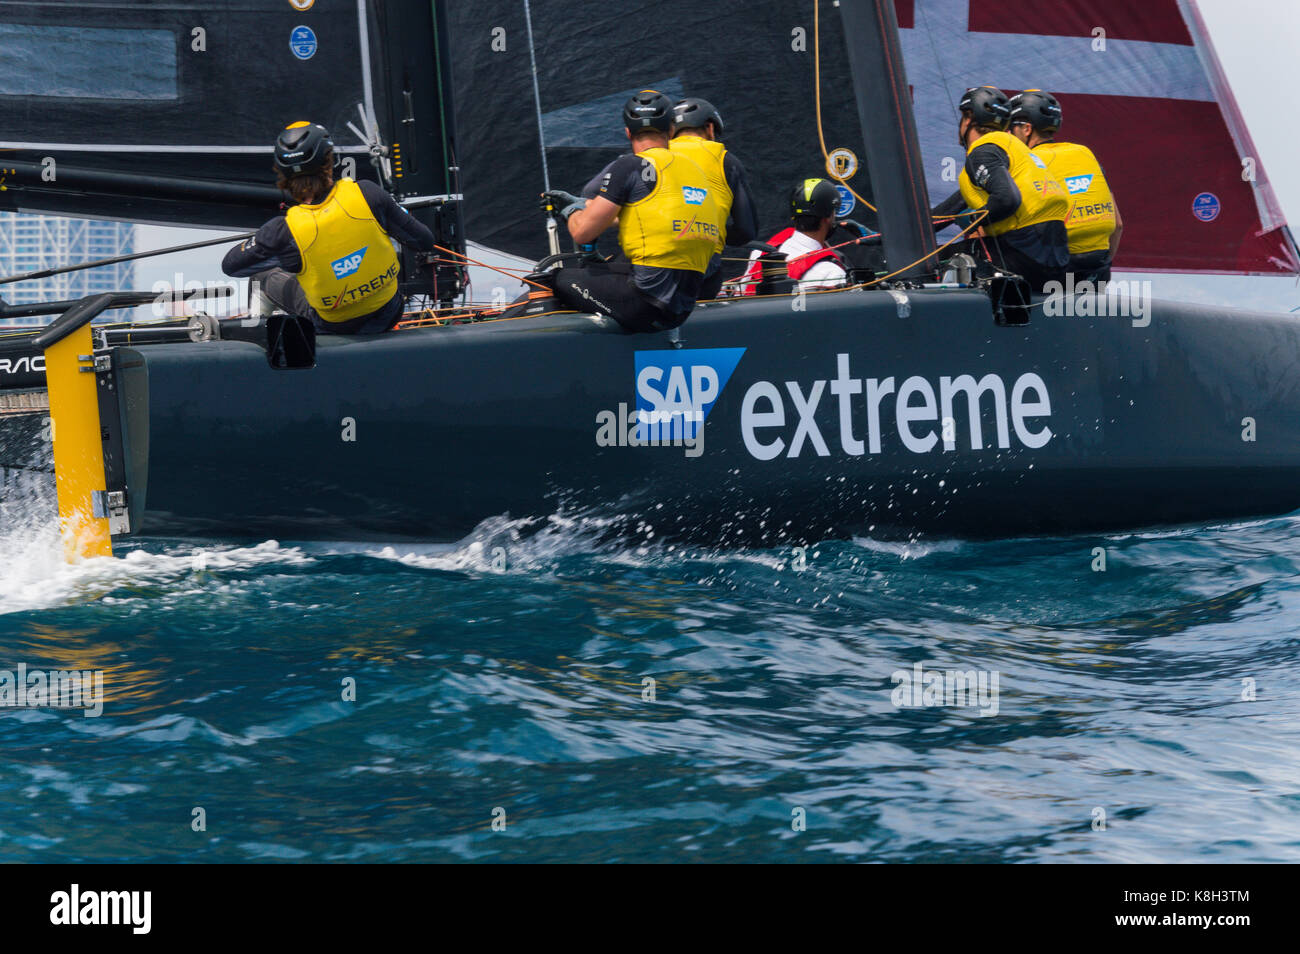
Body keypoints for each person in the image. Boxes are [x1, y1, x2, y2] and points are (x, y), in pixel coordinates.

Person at [222, 121, 434, 335]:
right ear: (330, 160)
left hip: (331, 326)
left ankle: (264, 345)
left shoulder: (283, 231)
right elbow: (424, 240)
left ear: (283, 174)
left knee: (261, 278)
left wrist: (265, 240)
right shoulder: (368, 194)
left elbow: (231, 267)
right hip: (388, 312)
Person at [541, 90, 724, 332]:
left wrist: (571, 210)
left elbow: (582, 233)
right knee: (597, 270)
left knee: (549, 280)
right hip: (684, 304)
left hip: (644, 306)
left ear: (628, 132)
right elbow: (653, 217)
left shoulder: (629, 166)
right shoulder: (694, 170)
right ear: (671, 130)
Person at [931, 86, 1070, 291]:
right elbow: (941, 215)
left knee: (933, 261)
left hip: (1023, 251)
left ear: (968, 119)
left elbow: (1007, 200)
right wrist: (879, 237)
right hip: (1056, 256)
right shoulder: (1012, 148)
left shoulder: (983, 151)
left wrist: (973, 220)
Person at [1008, 89, 1122, 283]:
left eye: (1011, 128)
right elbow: (1118, 224)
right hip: (1098, 269)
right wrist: (1101, 267)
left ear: (1026, 129)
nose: (1008, 134)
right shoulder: (1085, 153)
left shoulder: (1023, 161)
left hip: (1052, 272)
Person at [670, 97, 759, 300]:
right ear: (710, 128)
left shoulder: (650, 157)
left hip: (650, 273)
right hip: (703, 278)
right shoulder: (726, 160)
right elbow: (747, 230)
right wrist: (709, 230)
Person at [741, 178, 848, 294]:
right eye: (834, 212)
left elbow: (740, 293)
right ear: (827, 218)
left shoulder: (759, 254)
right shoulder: (831, 273)